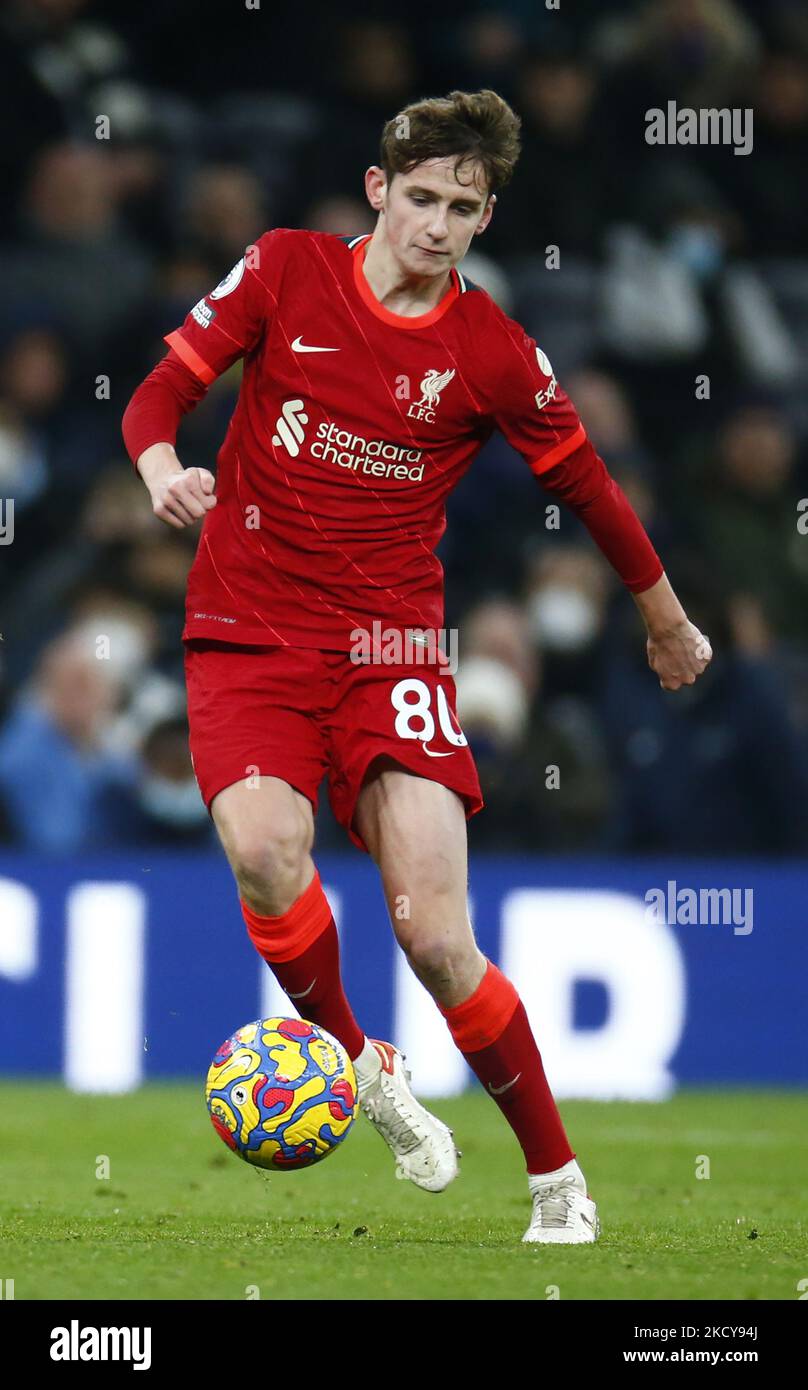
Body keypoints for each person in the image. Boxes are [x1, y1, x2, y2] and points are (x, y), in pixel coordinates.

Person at [122, 89, 712, 1245]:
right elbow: (163, 389)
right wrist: (157, 467)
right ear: (378, 190)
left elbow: (586, 487)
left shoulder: (486, 348)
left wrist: (666, 620)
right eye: (423, 198)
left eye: (465, 207)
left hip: (389, 644)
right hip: (248, 626)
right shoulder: (287, 270)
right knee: (260, 853)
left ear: (485, 218)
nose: (438, 226)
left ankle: (556, 1178)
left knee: (436, 936)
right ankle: (359, 1067)